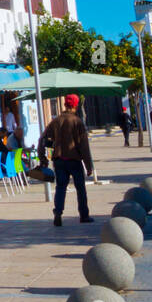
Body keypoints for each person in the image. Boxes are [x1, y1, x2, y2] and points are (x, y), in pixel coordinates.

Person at [39, 94, 94, 226]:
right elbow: (84, 146)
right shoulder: (77, 122)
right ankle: (84, 215)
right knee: (80, 188)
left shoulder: (56, 121)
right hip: (74, 159)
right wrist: (88, 165)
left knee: (60, 187)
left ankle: (58, 212)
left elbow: (42, 140)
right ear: (75, 105)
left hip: (59, 160)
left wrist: (43, 159)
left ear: (64, 104)